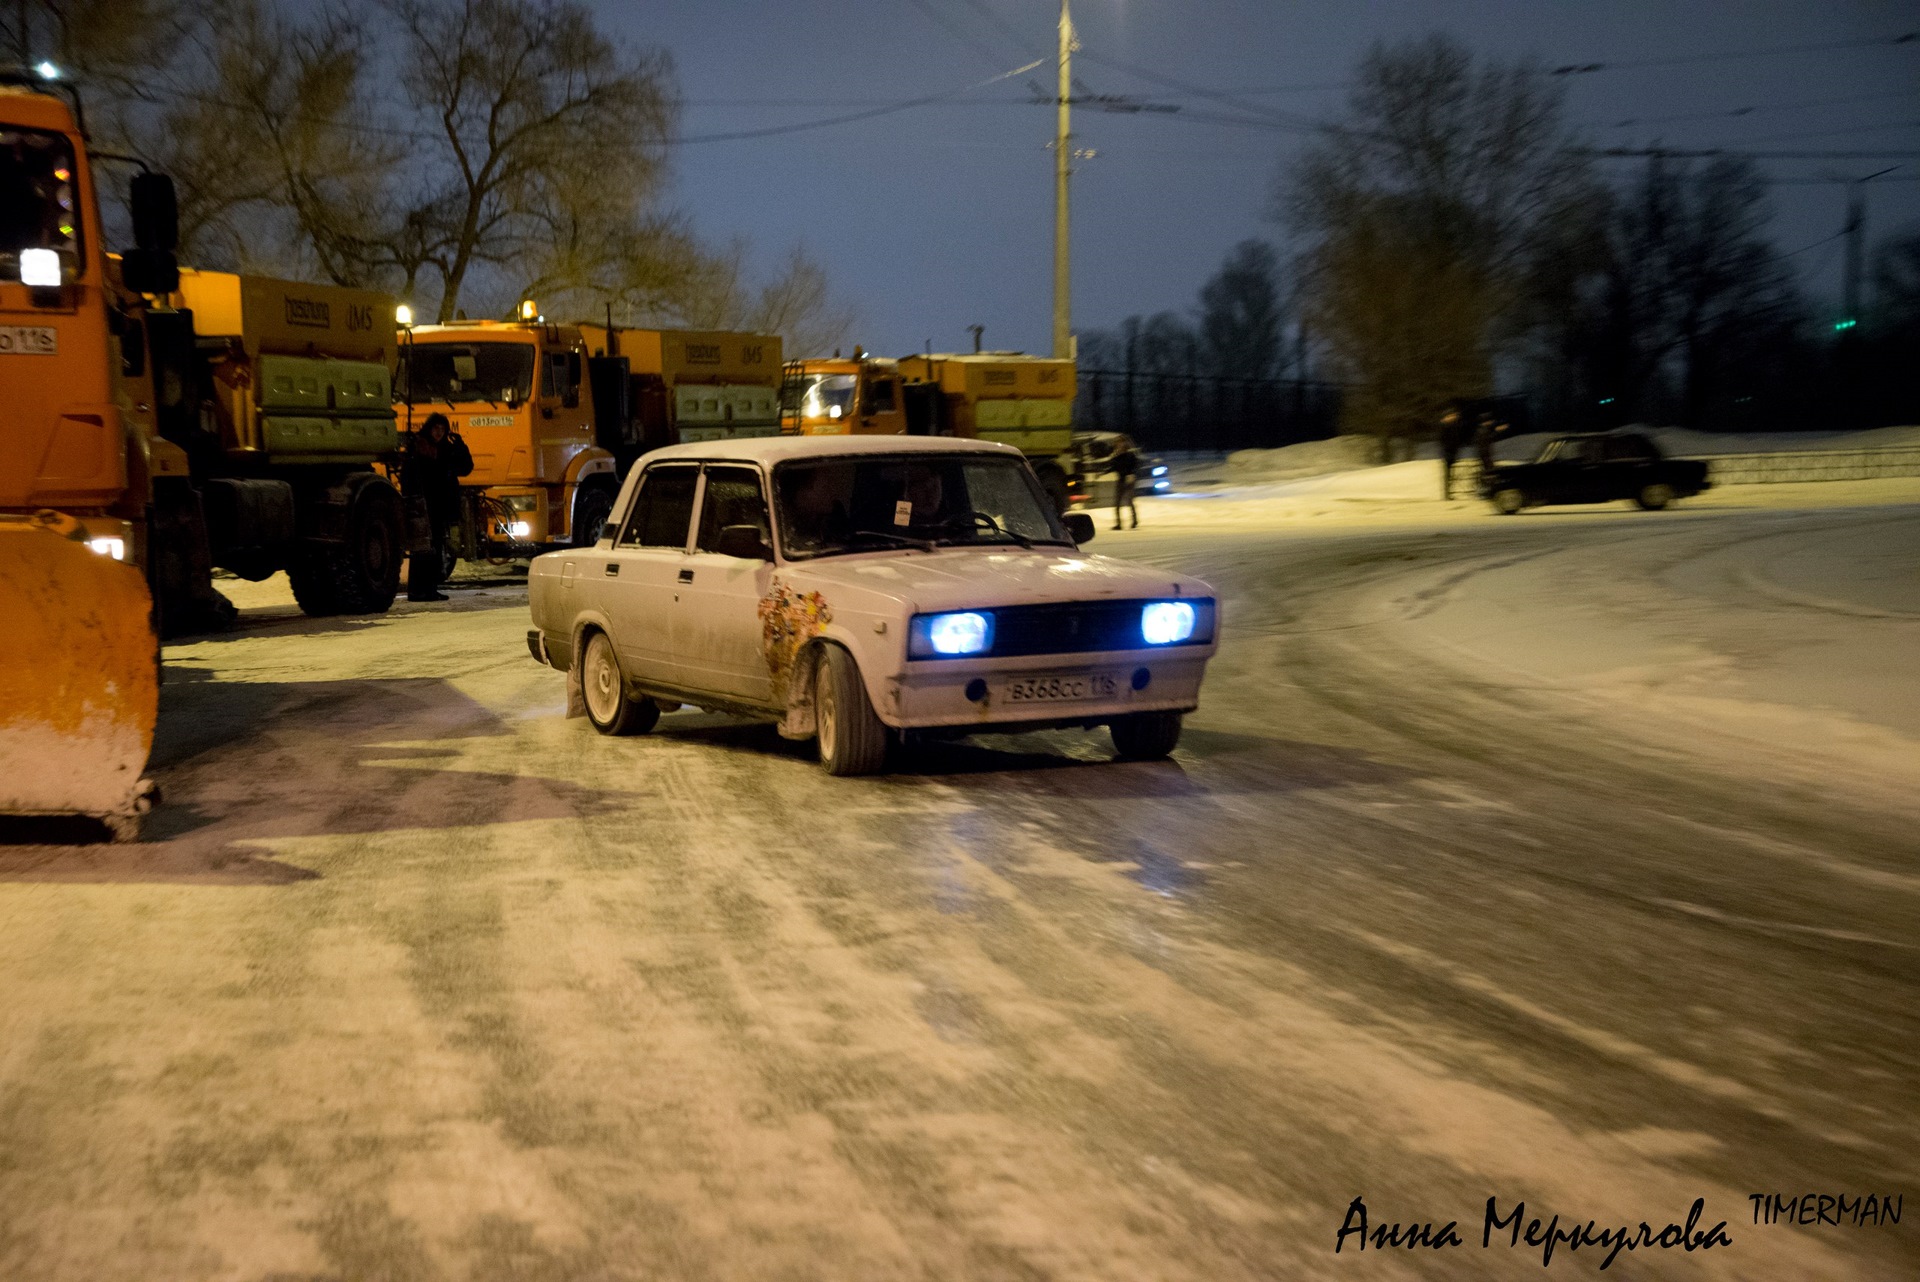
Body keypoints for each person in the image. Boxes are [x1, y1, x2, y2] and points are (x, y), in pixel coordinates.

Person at [401, 412, 472, 601]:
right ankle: (418, 590)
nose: (439, 433)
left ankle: (429, 589)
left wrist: (460, 446)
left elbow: (465, 468)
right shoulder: (419, 449)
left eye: (443, 429)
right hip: (424, 505)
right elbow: (410, 476)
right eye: (436, 428)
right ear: (429, 428)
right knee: (423, 548)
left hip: (440, 506)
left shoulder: (446, 450)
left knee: (435, 547)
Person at [1109, 436, 1139, 530]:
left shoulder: (1130, 455)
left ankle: (1134, 521)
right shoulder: (1116, 455)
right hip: (1121, 480)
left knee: (1129, 501)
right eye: (1117, 443)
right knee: (1117, 503)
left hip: (1129, 480)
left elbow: (1135, 465)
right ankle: (1119, 523)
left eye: (1120, 442)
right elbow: (1114, 466)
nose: (1119, 445)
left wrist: (1132, 474)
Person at [1437, 404, 1466, 500]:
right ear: (1448, 416)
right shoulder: (1444, 426)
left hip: (1451, 452)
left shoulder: (1452, 426)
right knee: (1448, 475)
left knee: (1451, 474)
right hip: (1448, 453)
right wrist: (1449, 449)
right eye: (1453, 416)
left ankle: (1449, 493)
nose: (1455, 417)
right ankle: (1447, 494)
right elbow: (1443, 441)